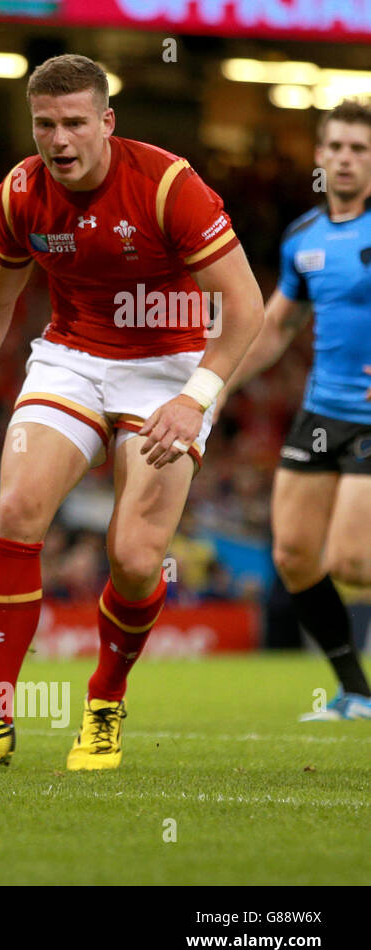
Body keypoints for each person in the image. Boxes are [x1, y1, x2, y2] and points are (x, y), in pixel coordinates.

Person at [0, 54, 264, 771]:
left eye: (75, 122)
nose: (59, 139)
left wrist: (196, 397)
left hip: (170, 368)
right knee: (17, 508)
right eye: (45, 124)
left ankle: (104, 703)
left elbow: (245, 306)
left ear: (107, 121)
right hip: (72, 358)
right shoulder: (20, 193)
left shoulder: (169, 185)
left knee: (135, 558)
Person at [220, 99, 371, 721]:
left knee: (353, 561)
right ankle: (357, 693)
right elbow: (277, 327)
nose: (345, 158)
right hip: (320, 414)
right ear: (318, 155)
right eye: (336, 147)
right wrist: (216, 385)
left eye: (359, 148)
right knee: (294, 557)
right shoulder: (303, 237)